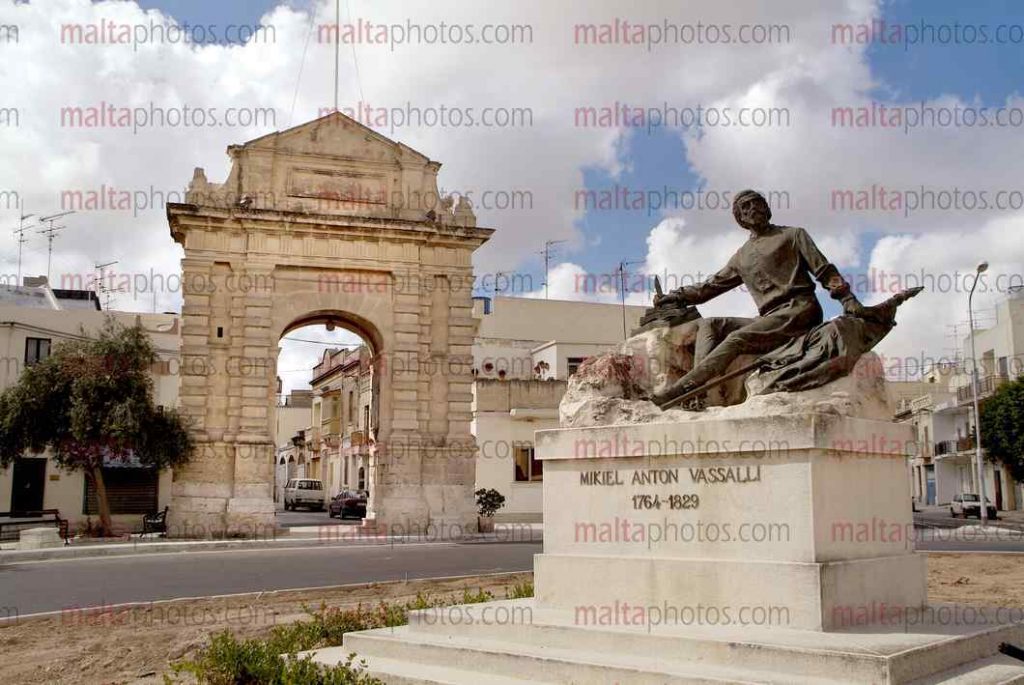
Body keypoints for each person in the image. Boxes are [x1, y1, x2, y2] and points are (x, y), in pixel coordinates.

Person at [651, 189, 861, 408]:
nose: (753, 209)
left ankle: (685, 388)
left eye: (757, 203)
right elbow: (709, 287)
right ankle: (697, 393)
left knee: (736, 339)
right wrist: (676, 296)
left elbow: (824, 271)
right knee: (710, 324)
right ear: (741, 219)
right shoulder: (742, 256)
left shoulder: (793, 235)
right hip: (770, 318)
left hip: (800, 311)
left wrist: (847, 299)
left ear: (768, 209)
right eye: (746, 207)